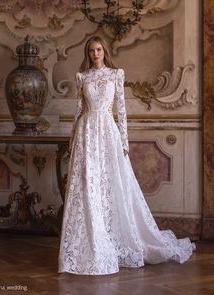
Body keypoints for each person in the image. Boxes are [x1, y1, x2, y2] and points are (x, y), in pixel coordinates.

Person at [58, 35, 195, 275]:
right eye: (91, 50)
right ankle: (90, 245)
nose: (95, 54)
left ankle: (116, 239)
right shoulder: (83, 77)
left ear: (104, 51)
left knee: (112, 184)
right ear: (87, 53)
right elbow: (78, 111)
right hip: (87, 132)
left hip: (108, 132)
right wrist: (73, 141)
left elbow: (121, 109)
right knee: (89, 185)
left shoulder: (115, 74)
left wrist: (124, 142)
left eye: (99, 49)